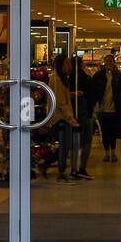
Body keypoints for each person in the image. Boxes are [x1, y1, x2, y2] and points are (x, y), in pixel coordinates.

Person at [50, 55, 83, 183]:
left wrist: (72, 94)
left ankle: (58, 168)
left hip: (62, 116)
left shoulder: (60, 79)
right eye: (66, 63)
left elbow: (60, 96)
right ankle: (61, 171)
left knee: (64, 145)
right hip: (60, 117)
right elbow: (60, 101)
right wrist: (70, 118)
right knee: (64, 145)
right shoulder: (57, 79)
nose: (69, 66)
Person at [89, 51, 121, 163]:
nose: (109, 63)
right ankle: (107, 153)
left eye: (110, 61)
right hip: (102, 109)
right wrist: (95, 105)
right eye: (107, 61)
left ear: (114, 62)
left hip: (114, 109)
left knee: (112, 132)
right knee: (104, 132)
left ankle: (112, 152)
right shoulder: (98, 76)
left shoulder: (118, 76)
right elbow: (93, 92)